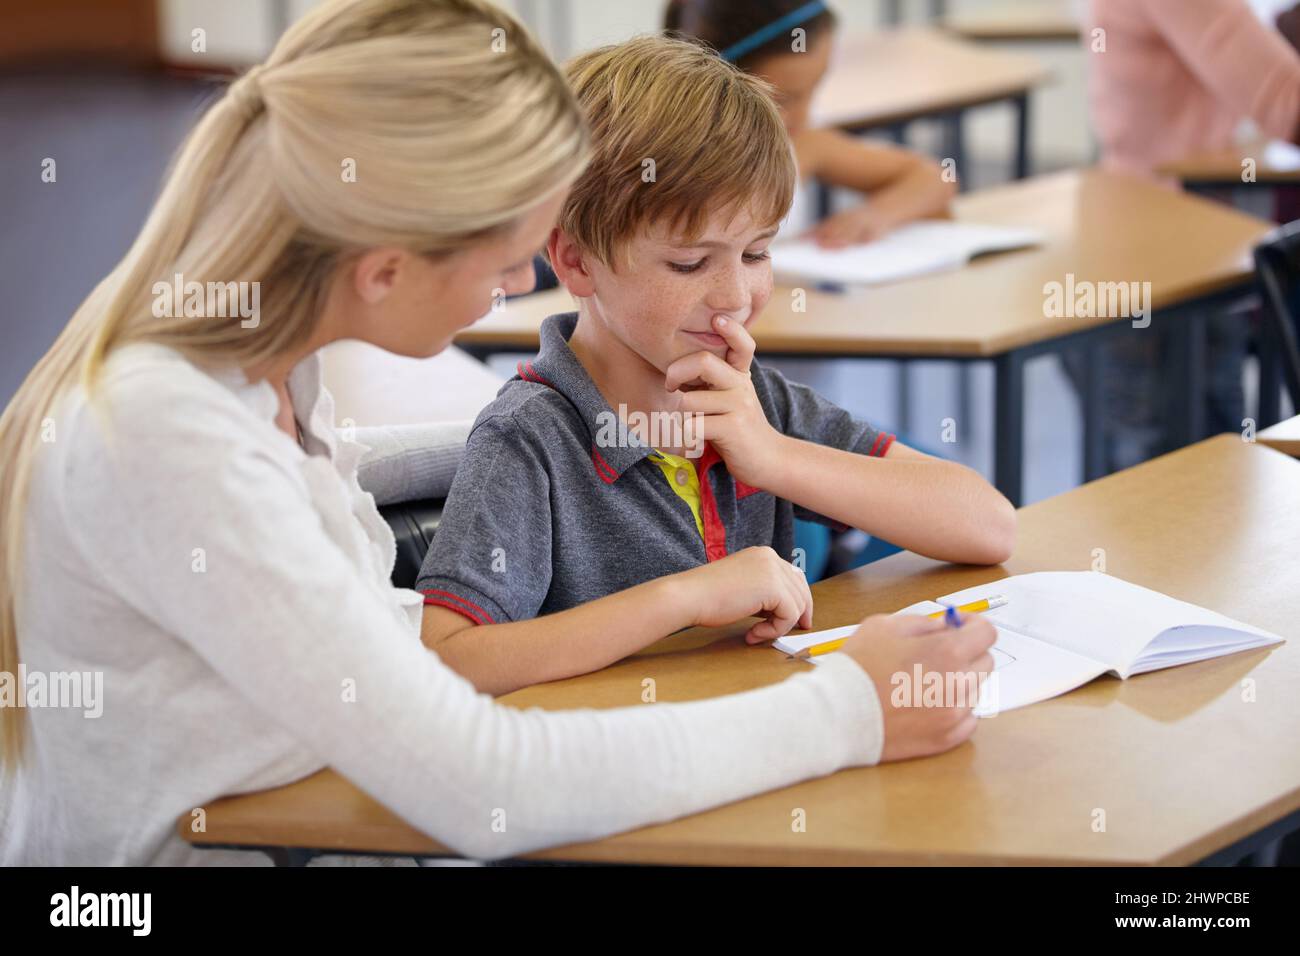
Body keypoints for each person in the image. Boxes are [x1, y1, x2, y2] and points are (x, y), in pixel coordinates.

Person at [0, 0, 995, 865]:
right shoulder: (166, 435)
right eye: (509, 253)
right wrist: (852, 710)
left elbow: (312, 523)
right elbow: (483, 780)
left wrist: (578, 433)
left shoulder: (271, 375)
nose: (520, 286)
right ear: (385, 268)